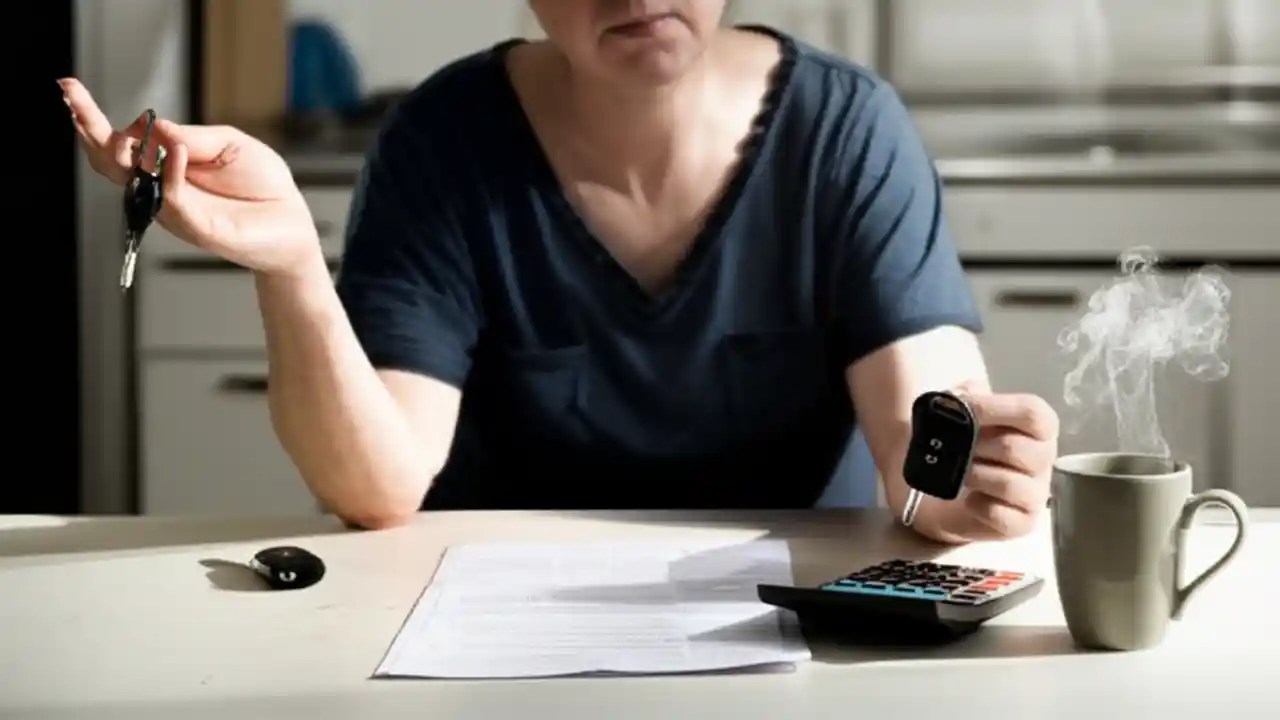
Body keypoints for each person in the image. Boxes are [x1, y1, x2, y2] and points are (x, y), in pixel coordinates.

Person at [60, 1, 1058, 542]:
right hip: (494, 651)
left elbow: (921, 455)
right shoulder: (441, 142)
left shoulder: (846, 132)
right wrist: (288, 266)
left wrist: (965, 487)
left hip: (790, 637)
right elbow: (375, 490)